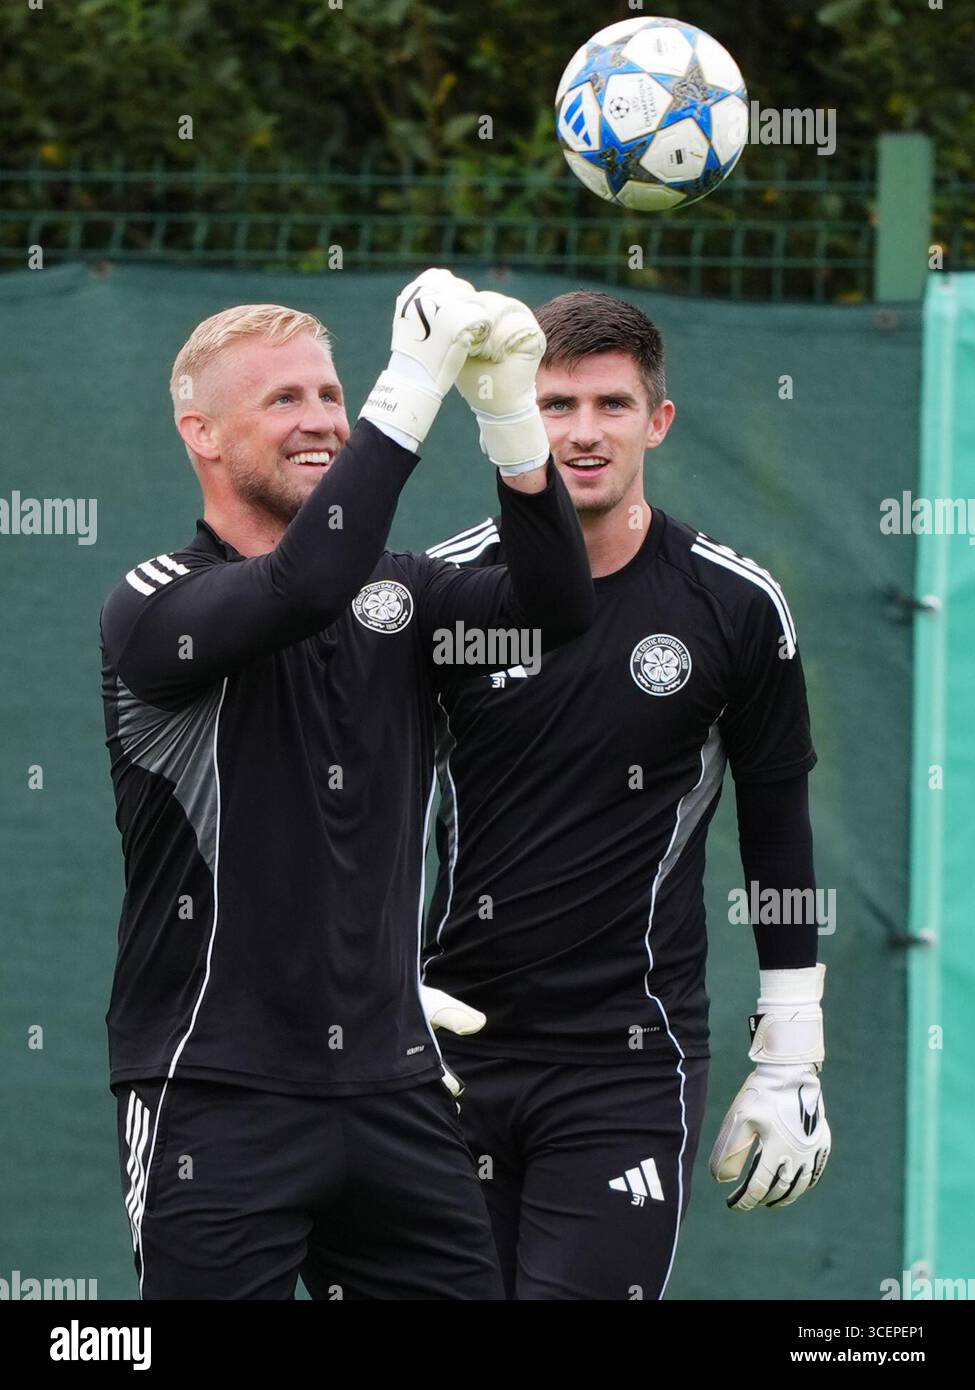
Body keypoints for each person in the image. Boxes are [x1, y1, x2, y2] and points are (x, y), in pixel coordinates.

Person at [99, 270, 595, 1300]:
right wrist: (410, 385)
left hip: (397, 1092)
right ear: (203, 433)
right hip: (211, 1089)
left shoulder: (404, 593)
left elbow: (557, 606)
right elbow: (304, 584)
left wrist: (508, 415)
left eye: (332, 394)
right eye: (283, 400)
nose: (321, 418)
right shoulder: (156, 603)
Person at [422, 290, 831, 1301]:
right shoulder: (442, 594)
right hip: (439, 1049)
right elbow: (358, 812)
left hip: (627, 1062)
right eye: (554, 405)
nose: (584, 433)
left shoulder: (733, 604)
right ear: (512, 419)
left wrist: (792, 1050)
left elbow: (777, 823)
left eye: (611, 404)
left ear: (659, 420)